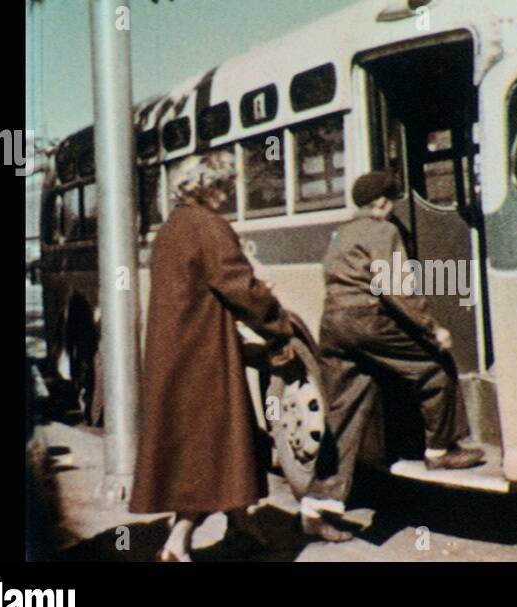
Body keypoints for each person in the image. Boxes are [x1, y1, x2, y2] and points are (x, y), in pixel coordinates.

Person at [300, 170, 484, 542]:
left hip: (332, 325)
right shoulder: (384, 230)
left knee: (344, 414)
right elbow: (395, 288)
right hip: (365, 320)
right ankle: (439, 449)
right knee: (435, 367)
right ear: (384, 202)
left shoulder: (341, 233)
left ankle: (318, 506)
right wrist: (432, 330)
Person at [128, 156, 293, 562]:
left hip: (175, 354)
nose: (230, 193)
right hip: (203, 356)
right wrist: (277, 323)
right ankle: (177, 542)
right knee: (210, 447)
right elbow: (236, 285)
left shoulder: (170, 229)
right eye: (225, 186)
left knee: (223, 441)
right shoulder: (210, 226)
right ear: (210, 187)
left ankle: (241, 524)